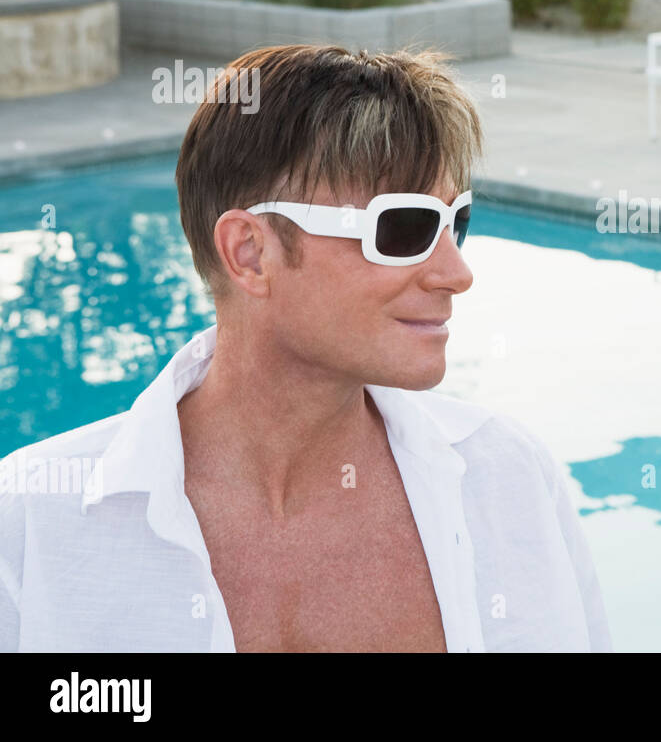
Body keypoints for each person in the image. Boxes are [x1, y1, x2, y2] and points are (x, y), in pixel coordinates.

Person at [0, 44, 612, 652]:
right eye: (404, 227)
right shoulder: (30, 522)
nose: (455, 272)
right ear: (250, 253)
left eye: (456, 223)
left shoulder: (511, 481)